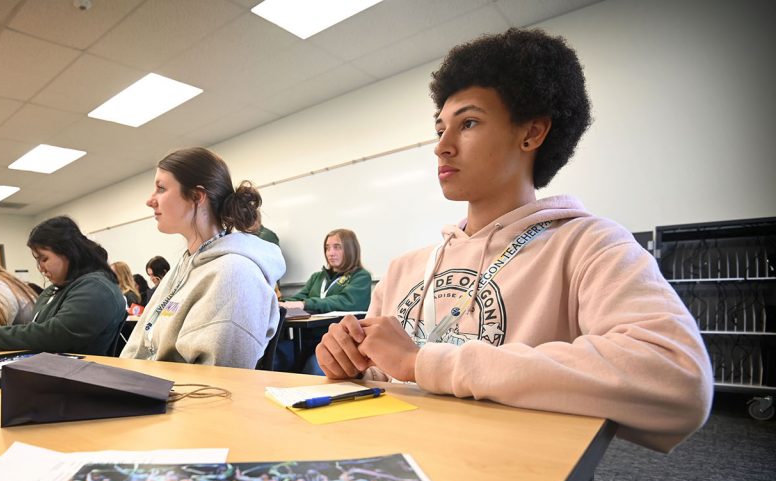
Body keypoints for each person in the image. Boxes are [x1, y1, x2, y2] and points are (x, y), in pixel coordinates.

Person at [315, 28, 712, 453]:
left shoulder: (588, 244)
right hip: (389, 468)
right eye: (439, 129)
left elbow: (677, 376)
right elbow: (387, 382)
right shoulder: (405, 268)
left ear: (532, 133)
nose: (442, 147)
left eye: (468, 123)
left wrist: (421, 362)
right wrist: (350, 365)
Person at [122, 147, 285, 368]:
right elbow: (138, 346)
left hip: (177, 399)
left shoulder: (235, 274)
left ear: (197, 197)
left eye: (161, 188)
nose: (150, 200)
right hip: (146, 392)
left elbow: (216, 385)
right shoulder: (182, 267)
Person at [0, 217, 127, 355]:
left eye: (44, 259)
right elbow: (37, 329)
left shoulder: (97, 288)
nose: (40, 268)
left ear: (69, 253)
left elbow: (55, 335)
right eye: (37, 260)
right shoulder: (54, 290)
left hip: (80, 382)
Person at [279, 229, 372, 373]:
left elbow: (344, 301)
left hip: (337, 343)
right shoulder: (318, 277)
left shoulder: (360, 277)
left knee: (315, 368)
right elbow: (298, 297)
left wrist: (306, 304)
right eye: (327, 248)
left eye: (337, 247)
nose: (330, 253)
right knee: (274, 357)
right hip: (305, 340)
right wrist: (278, 302)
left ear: (350, 249)